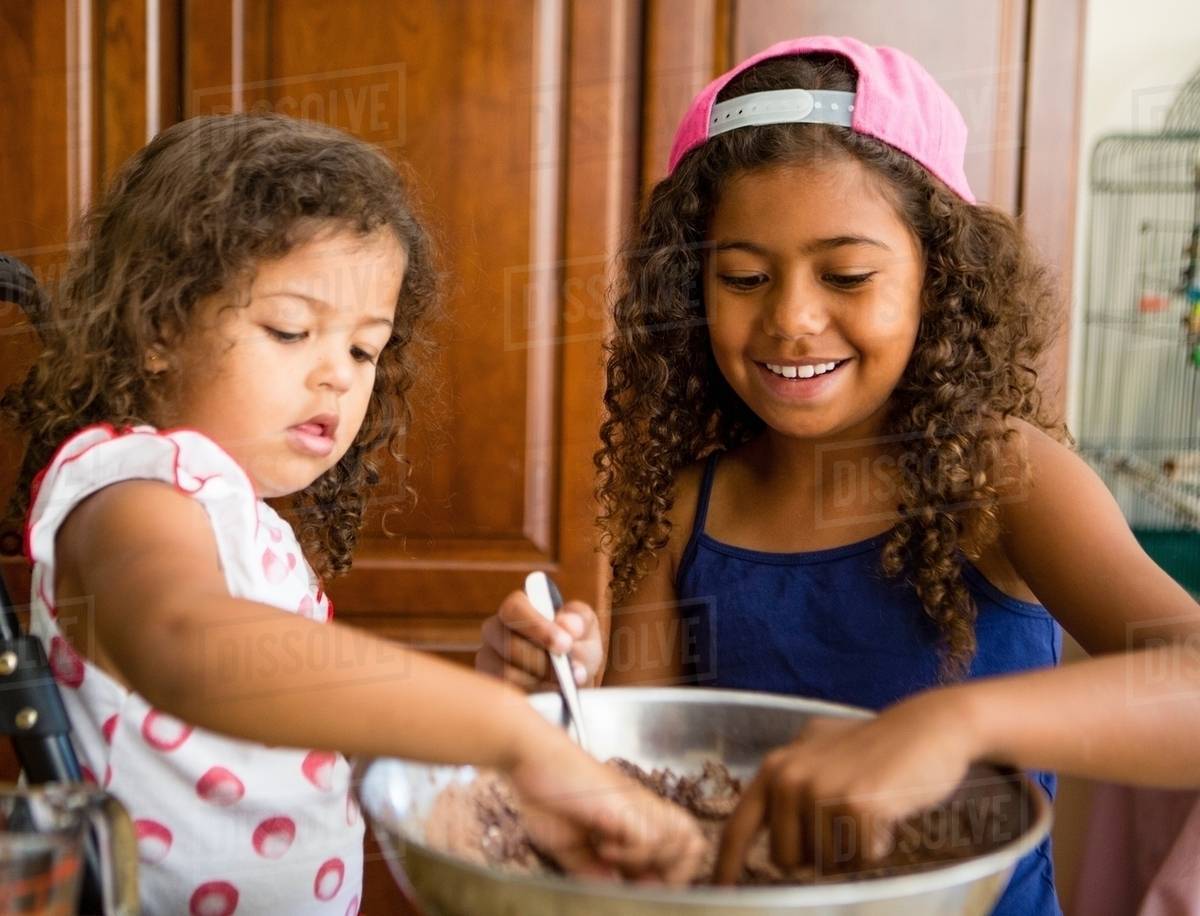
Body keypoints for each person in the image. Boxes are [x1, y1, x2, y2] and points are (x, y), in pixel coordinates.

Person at [475, 36, 1200, 914]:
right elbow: (636, 777)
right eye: (742, 277)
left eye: (847, 273)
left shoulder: (1004, 478)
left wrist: (954, 724)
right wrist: (557, 688)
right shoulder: (689, 510)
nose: (791, 318)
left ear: (941, 277)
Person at [2, 113, 704, 915]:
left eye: (365, 349)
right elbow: (186, 644)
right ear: (161, 327)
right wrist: (506, 736)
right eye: (292, 329)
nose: (338, 375)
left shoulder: (238, 515)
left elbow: (288, 740)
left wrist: (492, 693)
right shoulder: (132, 485)